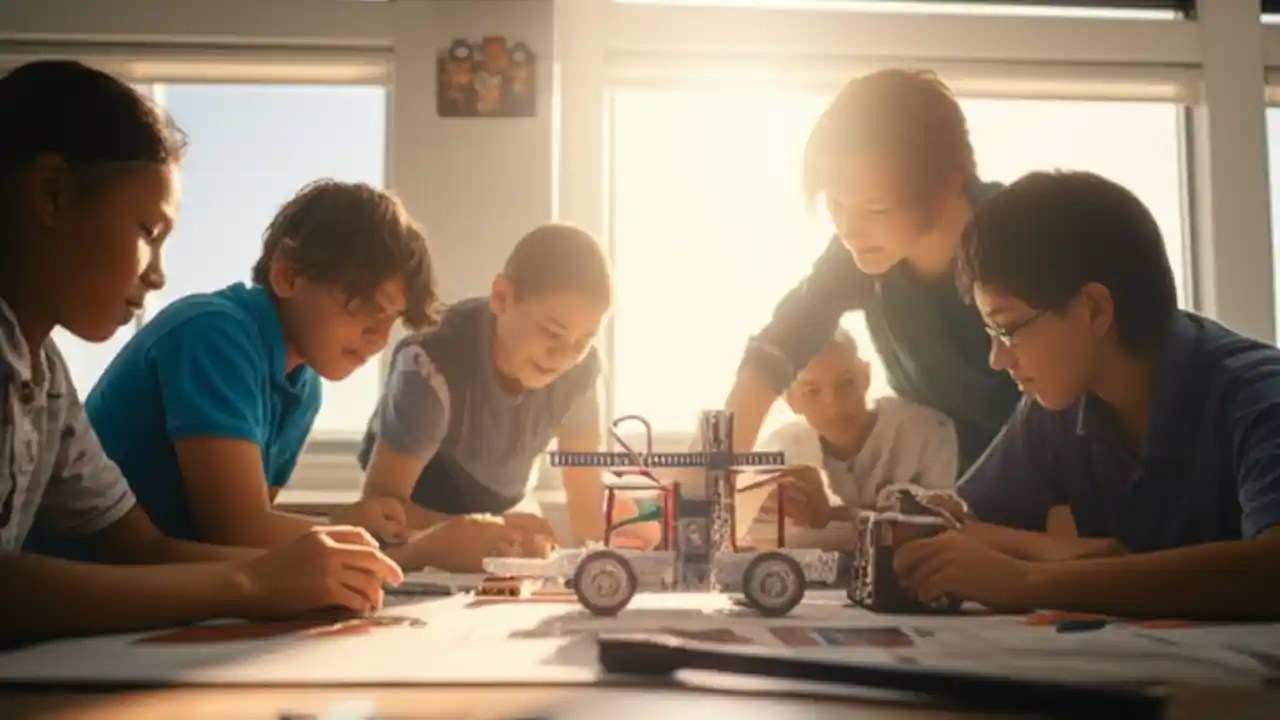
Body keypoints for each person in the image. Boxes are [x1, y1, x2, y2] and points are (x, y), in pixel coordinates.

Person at [0, 60, 401, 643]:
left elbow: (141, 546)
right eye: (147, 232)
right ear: (53, 193)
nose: (159, 275)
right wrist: (251, 584)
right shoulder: (217, 330)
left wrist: (285, 572)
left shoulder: (47, 377)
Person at [894, 171, 1280, 620]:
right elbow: (957, 525)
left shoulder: (1259, 396)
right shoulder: (1059, 406)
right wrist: (1073, 553)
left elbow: (1272, 570)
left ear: (1094, 309)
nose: (998, 359)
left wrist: (1028, 581)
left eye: (1008, 328)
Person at [45, 180, 434, 553]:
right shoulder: (214, 333)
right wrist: (399, 547)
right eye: (367, 309)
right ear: (288, 275)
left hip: (167, 575)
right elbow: (237, 530)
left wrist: (344, 523)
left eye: (391, 321)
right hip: (82, 580)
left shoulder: (303, 385)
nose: (380, 339)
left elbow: (253, 526)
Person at [724, 69, 1019, 475]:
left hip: (1053, 491)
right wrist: (712, 467)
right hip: (948, 484)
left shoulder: (1020, 239)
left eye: (875, 209)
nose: (849, 230)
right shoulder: (859, 255)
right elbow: (781, 342)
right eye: (836, 205)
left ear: (948, 185)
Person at [350, 223, 616, 572]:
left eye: (582, 342)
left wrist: (597, 566)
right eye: (552, 333)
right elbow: (381, 510)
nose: (564, 356)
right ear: (502, 297)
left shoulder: (582, 369)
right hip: (418, 515)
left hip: (498, 512)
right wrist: (461, 532)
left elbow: (584, 492)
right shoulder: (432, 361)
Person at [737, 328, 956, 550]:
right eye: (812, 391)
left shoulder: (926, 431)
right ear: (791, 400)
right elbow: (740, 526)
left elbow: (942, 527)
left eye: (847, 382)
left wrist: (832, 520)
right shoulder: (783, 450)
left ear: (865, 376)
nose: (832, 402)